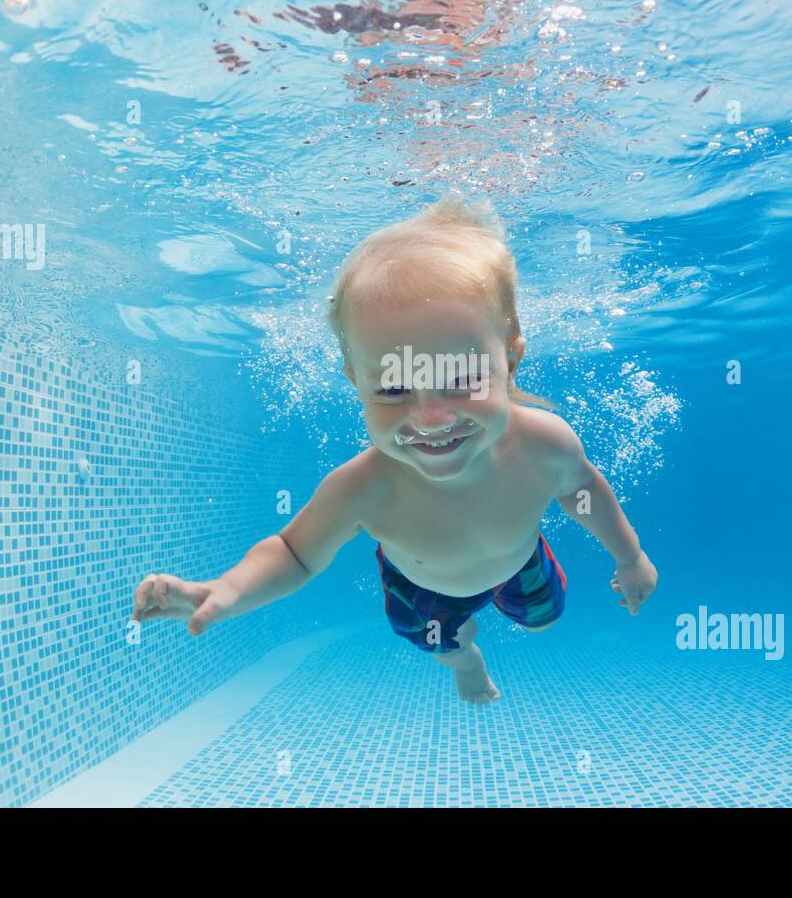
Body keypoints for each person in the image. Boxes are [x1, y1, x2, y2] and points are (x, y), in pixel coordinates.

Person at [132, 194, 658, 704]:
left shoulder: (545, 442)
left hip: (517, 562)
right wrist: (229, 589)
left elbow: (583, 491)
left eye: (461, 378)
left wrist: (630, 557)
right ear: (356, 381)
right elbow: (294, 553)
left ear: (511, 358)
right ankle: (464, 659)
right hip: (419, 588)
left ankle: (487, 623)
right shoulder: (363, 488)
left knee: (543, 621)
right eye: (393, 389)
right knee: (440, 642)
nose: (431, 418)